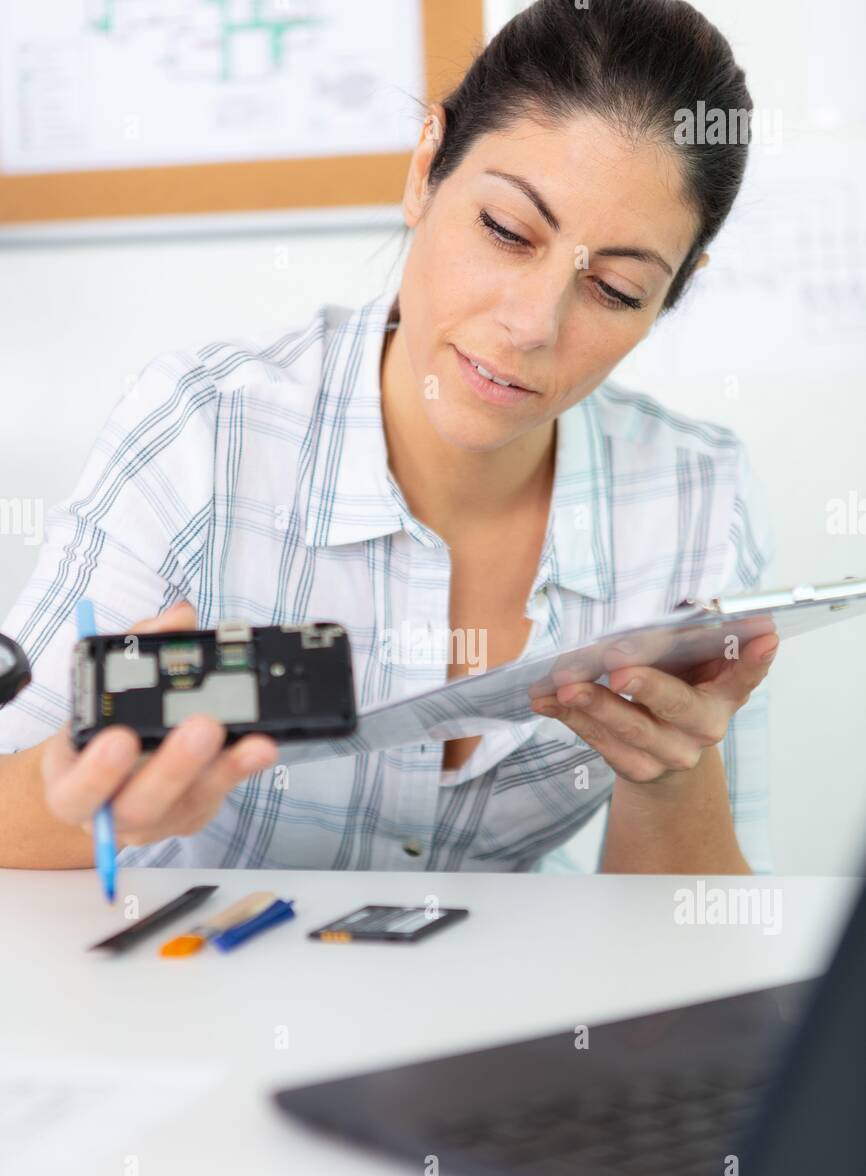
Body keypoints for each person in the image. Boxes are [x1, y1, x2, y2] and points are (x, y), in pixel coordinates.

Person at [0, 0, 777, 876]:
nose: (531, 324)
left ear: (674, 292)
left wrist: (669, 775)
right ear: (425, 169)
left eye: (618, 290)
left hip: (501, 1008)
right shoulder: (203, 430)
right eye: (506, 231)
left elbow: (691, 953)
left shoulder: (696, 497)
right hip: (192, 990)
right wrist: (84, 798)